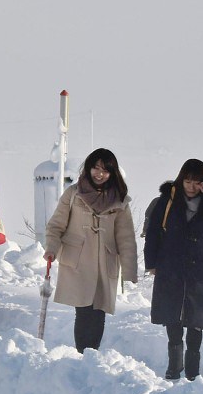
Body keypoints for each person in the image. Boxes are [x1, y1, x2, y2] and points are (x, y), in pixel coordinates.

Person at [43, 148, 138, 353]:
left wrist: (130, 269)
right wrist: (51, 248)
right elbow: (56, 225)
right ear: (88, 168)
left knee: (99, 311)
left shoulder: (120, 200)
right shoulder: (73, 193)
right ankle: (82, 353)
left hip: (106, 261)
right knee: (84, 310)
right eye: (95, 167)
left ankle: (91, 354)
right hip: (78, 260)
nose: (99, 173)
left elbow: (126, 237)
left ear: (112, 173)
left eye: (105, 169)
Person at [144, 159, 203, 381]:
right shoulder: (167, 200)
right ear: (181, 179)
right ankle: (174, 369)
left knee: (196, 321)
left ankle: (192, 373)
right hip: (171, 266)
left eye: (196, 182)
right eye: (187, 181)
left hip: (201, 270)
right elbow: (153, 231)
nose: (191, 186)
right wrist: (151, 263)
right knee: (172, 318)